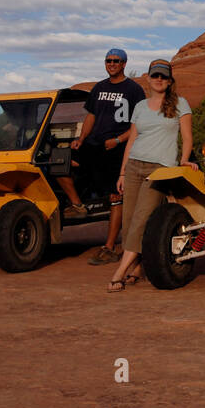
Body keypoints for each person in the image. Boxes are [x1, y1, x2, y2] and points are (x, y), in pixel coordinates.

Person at [108, 59, 196, 292]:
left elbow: (187, 137)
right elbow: (132, 141)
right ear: (148, 78)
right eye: (155, 76)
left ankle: (120, 271)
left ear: (169, 81)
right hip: (134, 166)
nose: (159, 80)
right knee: (128, 223)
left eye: (163, 77)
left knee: (141, 220)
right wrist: (122, 172)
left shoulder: (180, 104)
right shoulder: (140, 106)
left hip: (159, 170)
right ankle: (138, 268)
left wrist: (184, 159)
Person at [62, 48, 145, 265]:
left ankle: (108, 248)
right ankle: (77, 204)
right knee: (60, 162)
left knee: (114, 197)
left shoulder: (134, 90)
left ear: (124, 64)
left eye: (116, 61)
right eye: (108, 60)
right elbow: (91, 115)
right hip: (94, 144)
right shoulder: (99, 88)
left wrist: (118, 140)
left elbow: (139, 124)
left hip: (117, 147)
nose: (112, 64)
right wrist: (81, 138)